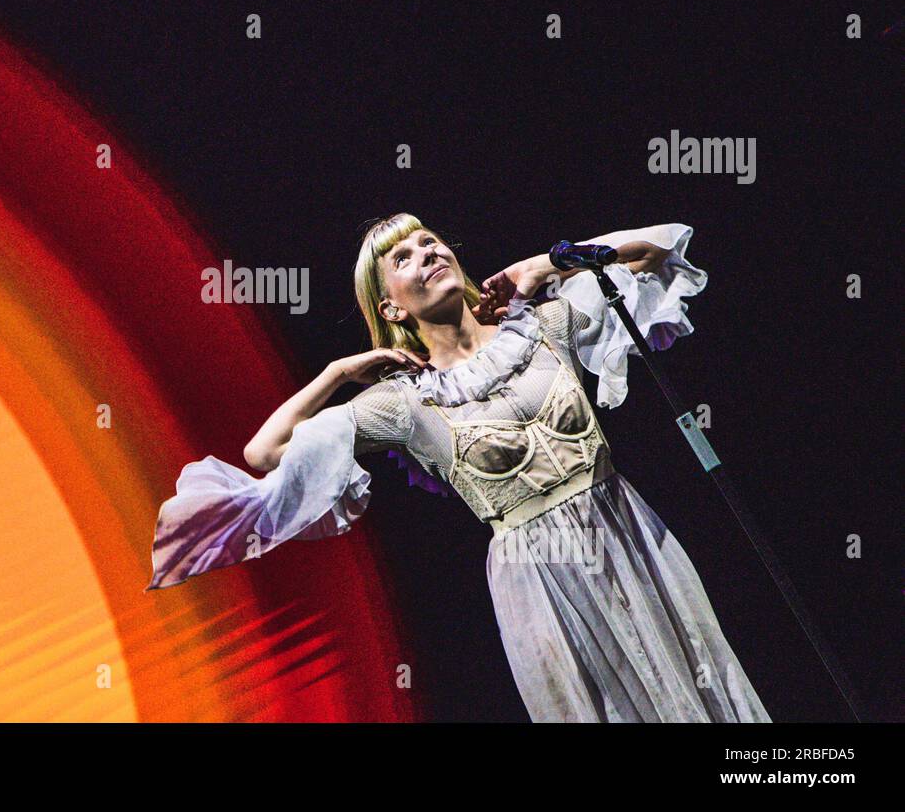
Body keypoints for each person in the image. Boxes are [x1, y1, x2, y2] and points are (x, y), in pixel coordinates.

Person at [146, 216, 771, 723]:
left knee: (703, 683)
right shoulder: (404, 402)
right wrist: (337, 374)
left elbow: (659, 250)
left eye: (429, 241)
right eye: (405, 258)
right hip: (538, 576)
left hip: (627, 532)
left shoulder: (545, 324)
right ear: (391, 308)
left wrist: (543, 265)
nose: (427, 253)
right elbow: (264, 453)